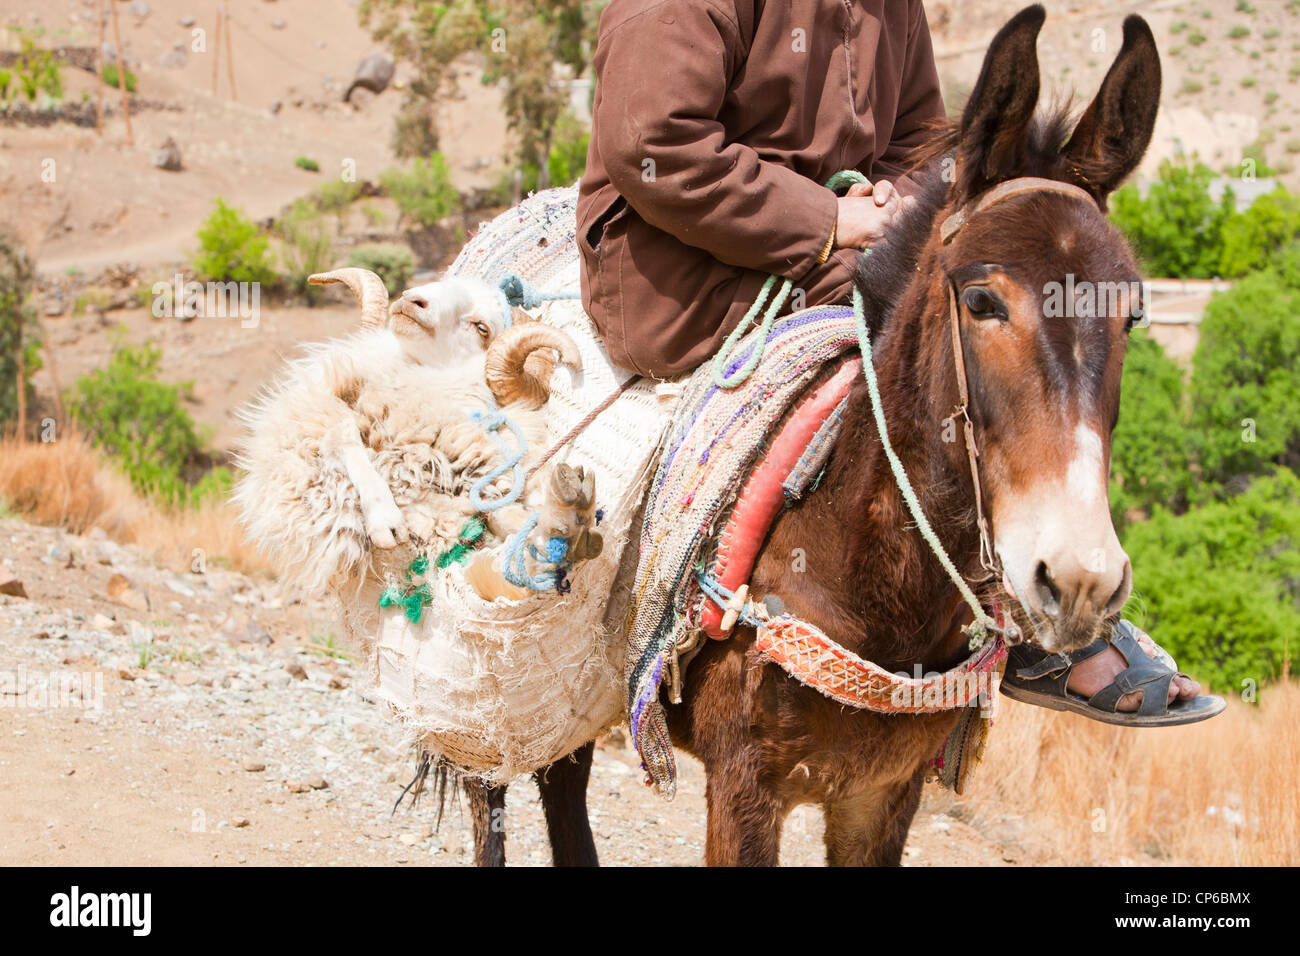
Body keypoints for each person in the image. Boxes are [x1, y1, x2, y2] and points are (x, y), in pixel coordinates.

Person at [577, 0, 1222, 725]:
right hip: (682, 266)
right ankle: (1012, 616)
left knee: (983, 344)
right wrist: (830, 221)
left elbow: (925, 147)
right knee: (925, 359)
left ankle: (1045, 593)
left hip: (845, 250)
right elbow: (654, 143)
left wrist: (894, 206)